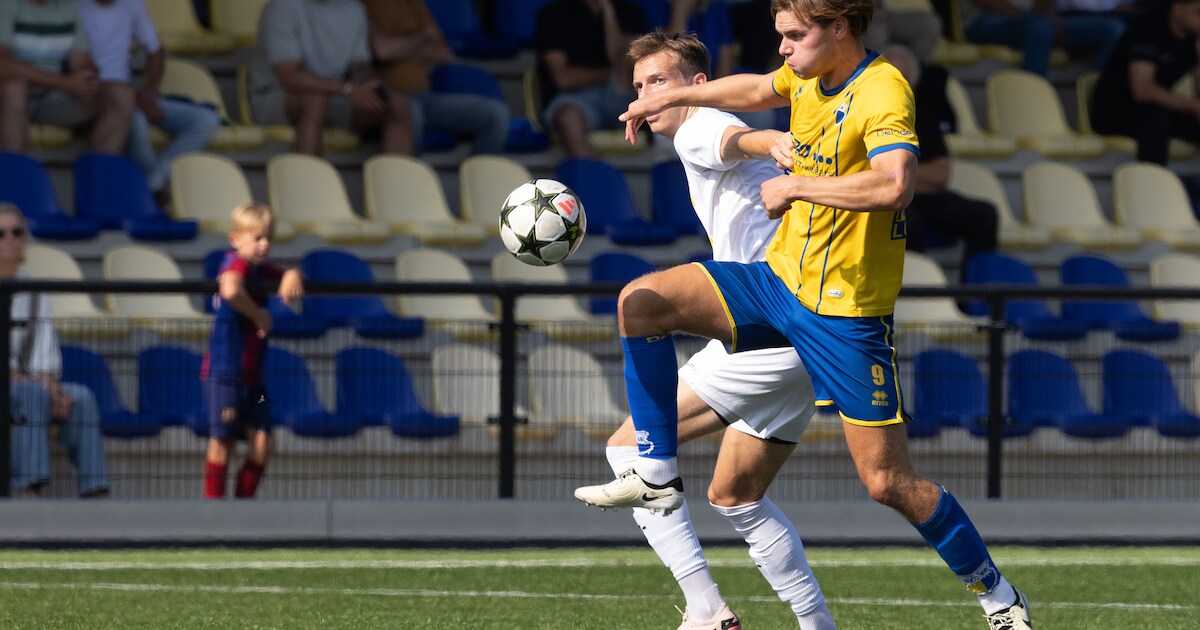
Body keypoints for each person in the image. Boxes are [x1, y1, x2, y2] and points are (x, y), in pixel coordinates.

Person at [574, 1, 1031, 628]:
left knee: (888, 483)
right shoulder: (803, 79)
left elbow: (895, 184)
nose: (782, 47)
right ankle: (660, 479)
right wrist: (662, 99)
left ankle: (998, 596)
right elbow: (759, 88)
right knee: (643, 305)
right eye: (780, 35)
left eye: (794, 35)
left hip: (844, 313)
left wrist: (794, 183)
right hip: (776, 286)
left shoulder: (883, 88)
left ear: (839, 27)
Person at [579, 32, 835, 629]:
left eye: (658, 83)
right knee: (736, 495)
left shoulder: (700, 125)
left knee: (628, 448)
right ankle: (817, 624)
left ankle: (705, 609)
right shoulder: (697, 127)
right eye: (639, 87)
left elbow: (731, 140)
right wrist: (767, 141)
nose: (644, 97)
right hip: (811, 336)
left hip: (766, 329)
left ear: (698, 84)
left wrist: (767, 138)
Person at [2, 203, 110, 499]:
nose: (9, 238)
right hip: (18, 386)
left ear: (25, 238)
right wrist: (38, 387)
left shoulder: (36, 291)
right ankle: (28, 487)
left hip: (27, 385)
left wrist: (52, 387)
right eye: (1, 233)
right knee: (33, 394)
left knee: (81, 398)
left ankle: (94, 493)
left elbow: (43, 350)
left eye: (16, 232)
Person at [201, 203, 304, 499]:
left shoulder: (261, 269)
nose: (265, 244)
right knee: (224, 441)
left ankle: (243, 506)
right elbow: (231, 290)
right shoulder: (235, 263)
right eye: (257, 238)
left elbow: (287, 274)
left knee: (263, 443)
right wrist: (259, 316)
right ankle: (215, 516)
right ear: (236, 238)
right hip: (225, 376)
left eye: (268, 238)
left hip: (253, 382)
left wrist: (292, 275)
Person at [79, 0, 221, 200]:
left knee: (205, 120)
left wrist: (150, 92)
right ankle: (151, 194)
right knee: (134, 119)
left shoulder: (132, 4)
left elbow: (155, 51)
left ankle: (153, 183)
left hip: (128, 95)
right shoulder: (72, 6)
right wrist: (133, 98)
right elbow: (77, 69)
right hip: (96, 95)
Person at [885, 44, 997, 279]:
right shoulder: (861, 115)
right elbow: (866, 177)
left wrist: (898, 178)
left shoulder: (922, 116)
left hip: (923, 198)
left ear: (912, 85)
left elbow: (941, 175)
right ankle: (920, 290)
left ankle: (973, 301)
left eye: (901, 78)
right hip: (884, 203)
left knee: (985, 215)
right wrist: (904, 179)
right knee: (905, 219)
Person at [247, 0, 413, 156]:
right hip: (273, 96)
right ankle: (308, 183)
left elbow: (358, 66)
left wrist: (367, 82)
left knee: (397, 104)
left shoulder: (354, 9)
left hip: (335, 96)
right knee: (315, 101)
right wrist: (347, 89)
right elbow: (290, 77)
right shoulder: (282, 7)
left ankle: (399, 184)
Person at [362, 0, 510, 156]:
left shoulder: (413, 3)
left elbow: (441, 53)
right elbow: (382, 50)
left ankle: (475, 177)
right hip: (386, 98)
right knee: (411, 111)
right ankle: (411, 178)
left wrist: (399, 49)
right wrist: (421, 38)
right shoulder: (363, 4)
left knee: (496, 115)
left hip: (424, 95)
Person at [0, 0, 130, 153]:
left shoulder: (68, 7)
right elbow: (3, 64)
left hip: (51, 100)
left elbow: (81, 61)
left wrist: (87, 81)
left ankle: (100, 172)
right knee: (14, 88)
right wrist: (63, 83)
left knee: (121, 95)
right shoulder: (6, 4)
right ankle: (11, 173)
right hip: (9, 101)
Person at [1090, 0, 1200, 165]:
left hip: (1156, 109)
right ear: (1177, 10)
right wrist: (1192, 106)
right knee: (1155, 120)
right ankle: (1152, 186)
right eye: (1198, 12)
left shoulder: (1193, 38)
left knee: (1161, 116)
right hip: (1114, 110)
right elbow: (1142, 90)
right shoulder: (1148, 29)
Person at [534, 0, 647, 157]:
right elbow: (563, 79)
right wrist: (610, 75)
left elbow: (622, 62)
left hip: (621, 94)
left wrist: (608, 12)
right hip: (575, 98)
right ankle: (596, 179)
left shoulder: (629, 11)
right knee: (568, 117)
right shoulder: (554, 13)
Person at [958, 0, 1126, 75]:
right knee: (1040, 28)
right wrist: (1033, 18)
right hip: (983, 20)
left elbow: (1043, 5)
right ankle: (1031, 100)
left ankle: (1097, 95)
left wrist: (1050, 17)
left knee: (1113, 29)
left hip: (1036, 20)